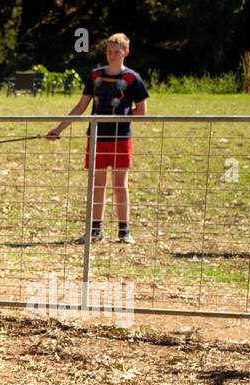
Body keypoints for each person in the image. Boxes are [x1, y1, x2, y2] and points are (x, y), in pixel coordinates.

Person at [47, 33, 150, 244]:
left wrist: (121, 116)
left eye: (116, 52)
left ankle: (124, 230)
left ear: (125, 53)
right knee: (97, 185)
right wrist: (59, 129)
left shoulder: (132, 78)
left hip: (121, 138)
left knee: (120, 186)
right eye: (109, 51)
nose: (112, 55)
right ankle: (95, 230)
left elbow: (141, 111)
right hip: (96, 137)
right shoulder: (94, 75)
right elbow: (80, 107)